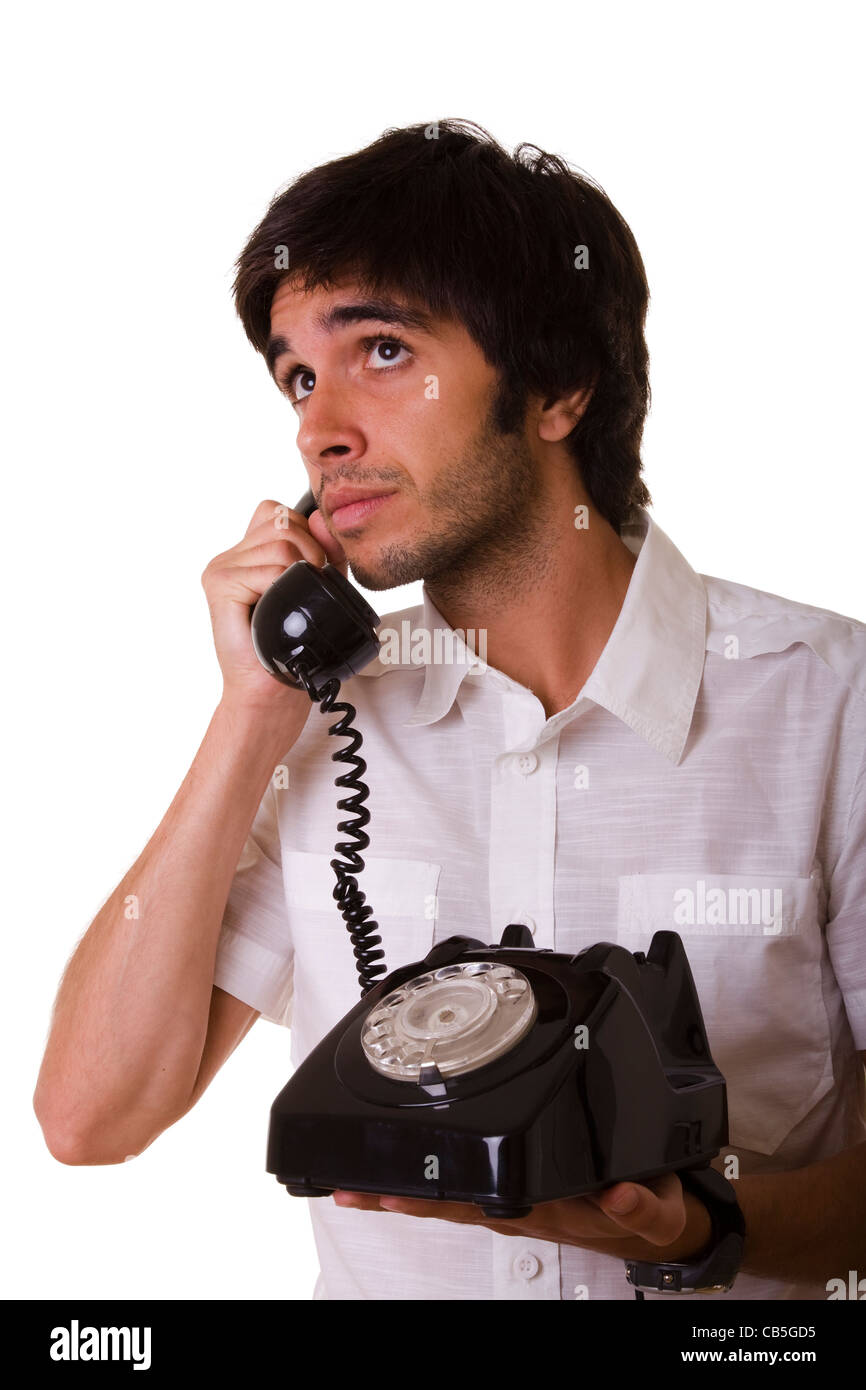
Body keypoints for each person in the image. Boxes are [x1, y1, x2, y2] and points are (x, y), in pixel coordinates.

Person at [33, 119, 866, 1301]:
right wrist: (251, 713)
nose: (318, 427)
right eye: (298, 376)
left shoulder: (831, 705)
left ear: (556, 386)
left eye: (379, 349)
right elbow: (88, 1117)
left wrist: (694, 1229)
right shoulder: (321, 724)